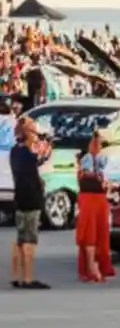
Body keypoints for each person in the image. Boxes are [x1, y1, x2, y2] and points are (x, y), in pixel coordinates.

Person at [9, 118, 51, 289]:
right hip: (31, 200)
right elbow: (34, 174)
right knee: (29, 240)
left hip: (19, 199)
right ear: (27, 134)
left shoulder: (15, 152)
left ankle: (17, 276)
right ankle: (27, 278)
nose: (36, 136)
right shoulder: (27, 155)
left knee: (20, 239)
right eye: (34, 133)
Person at [75, 130, 115, 284]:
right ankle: (91, 266)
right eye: (95, 142)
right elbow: (87, 175)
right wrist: (100, 179)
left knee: (100, 232)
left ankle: (97, 264)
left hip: (99, 198)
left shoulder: (102, 158)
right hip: (90, 197)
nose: (97, 146)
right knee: (90, 232)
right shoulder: (87, 159)